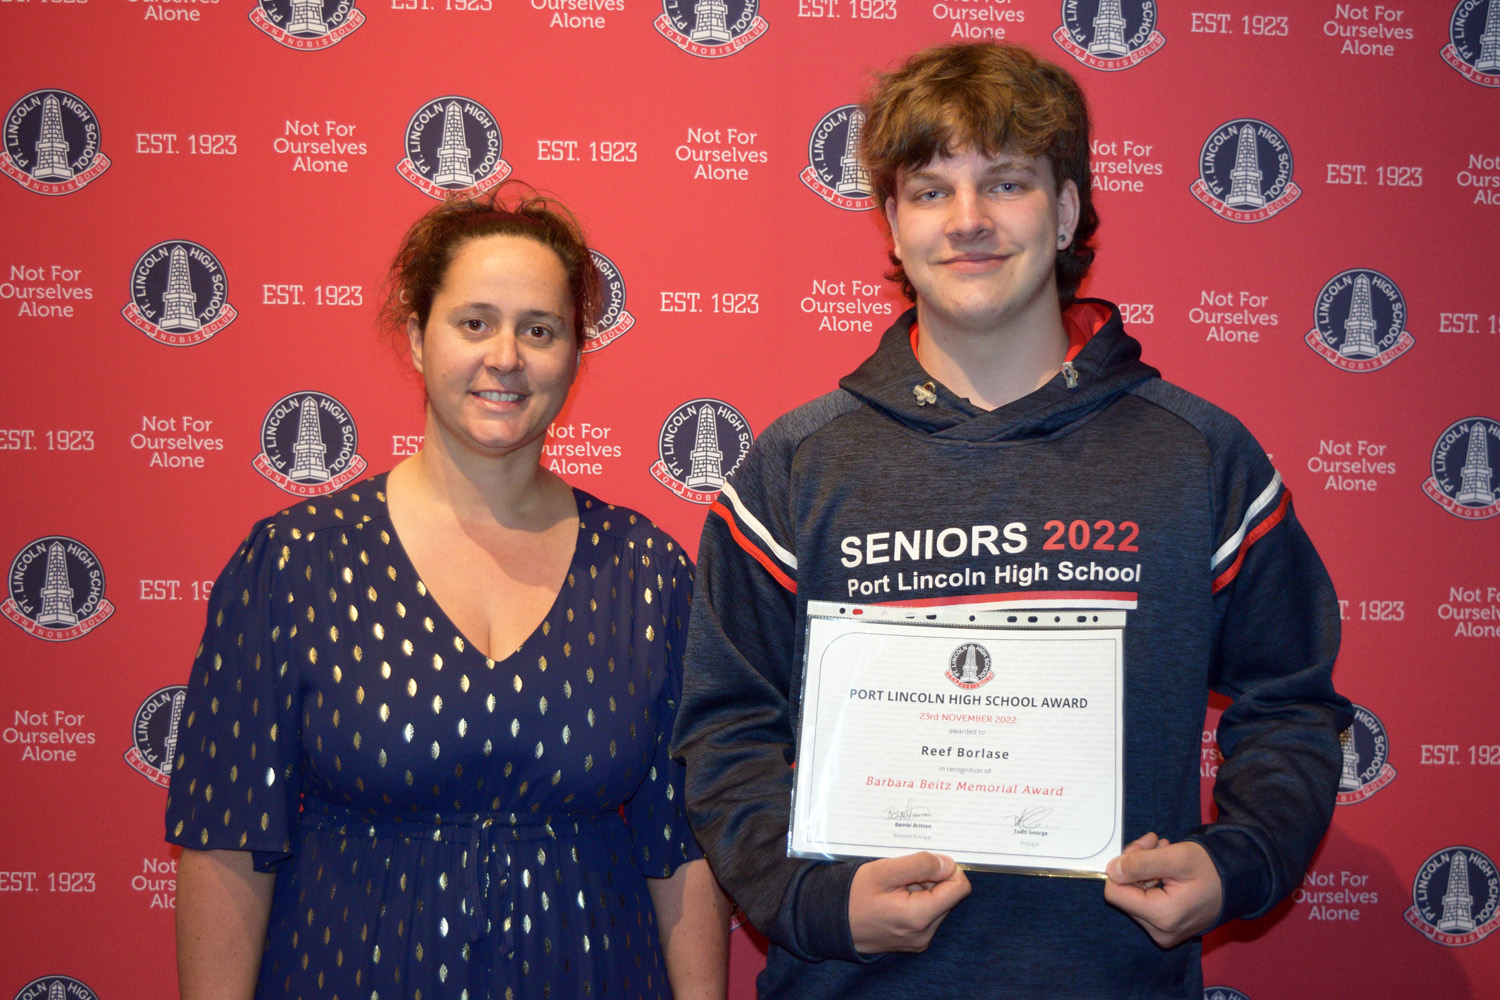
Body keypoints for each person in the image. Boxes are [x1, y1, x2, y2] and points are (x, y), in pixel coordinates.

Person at [671, 42, 1350, 999]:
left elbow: (1293, 703)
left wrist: (1237, 861)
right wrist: (812, 901)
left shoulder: (1198, 458)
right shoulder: (794, 469)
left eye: (1007, 183)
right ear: (894, 227)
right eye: (930, 190)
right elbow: (727, 729)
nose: (970, 221)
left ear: (1066, 211)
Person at [167, 185, 730, 1000]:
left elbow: (679, 849)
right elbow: (224, 844)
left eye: (540, 330)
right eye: (474, 323)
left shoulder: (645, 571)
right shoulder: (295, 563)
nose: (506, 355)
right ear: (416, 338)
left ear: (576, 353)